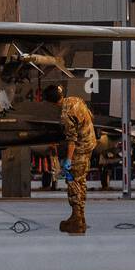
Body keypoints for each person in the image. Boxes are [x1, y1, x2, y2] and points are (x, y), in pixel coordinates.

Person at [48, 84, 97, 235]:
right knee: (81, 181)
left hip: (79, 149)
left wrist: (68, 161)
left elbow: (71, 141)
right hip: (90, 143)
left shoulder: (65, 114)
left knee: (73, 181)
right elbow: (91, 116)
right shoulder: (76, 100)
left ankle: (77, 218)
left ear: (51, 102)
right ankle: (79, 217)